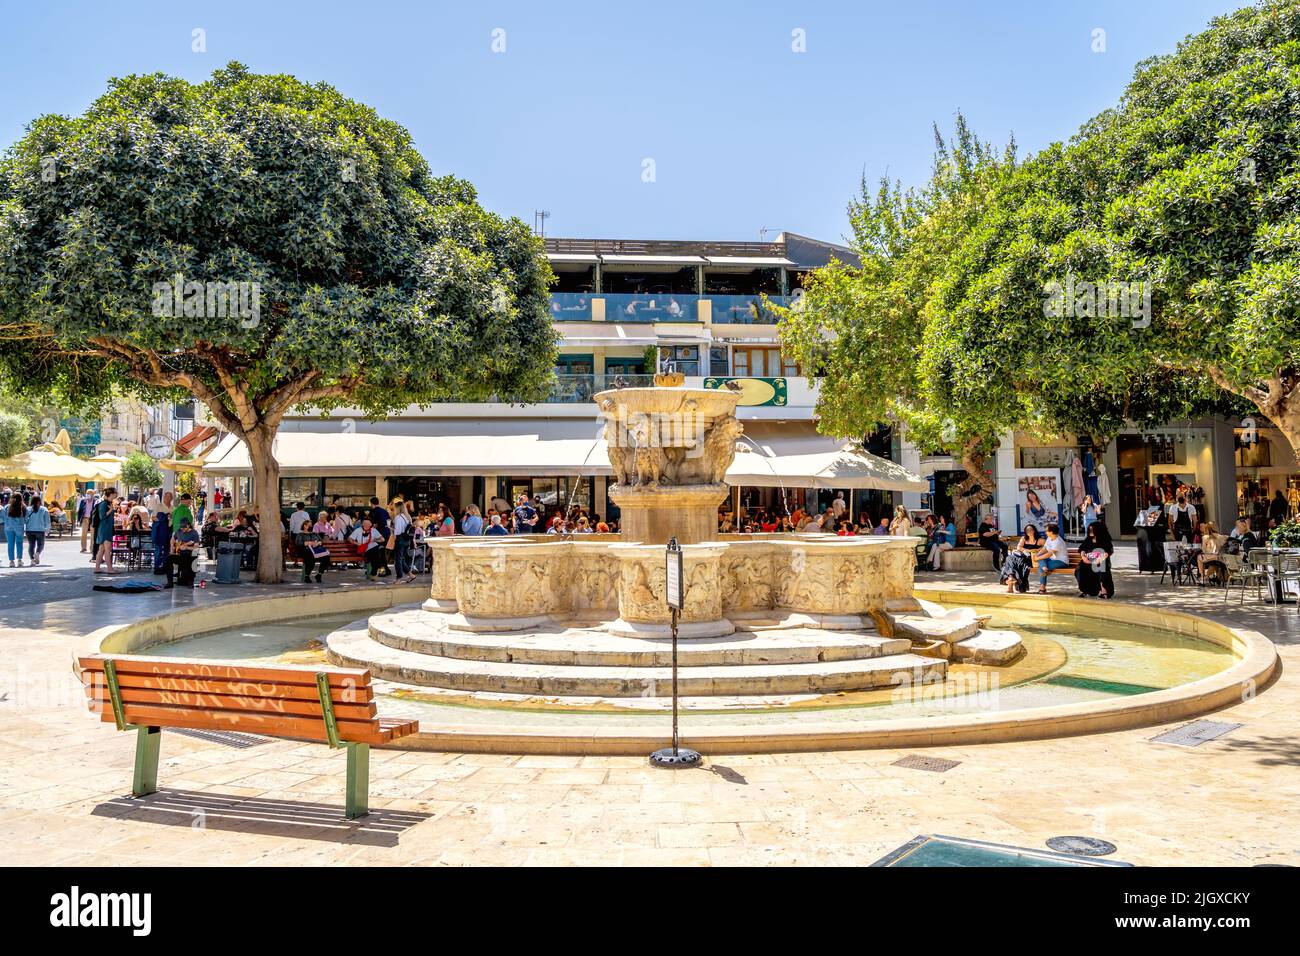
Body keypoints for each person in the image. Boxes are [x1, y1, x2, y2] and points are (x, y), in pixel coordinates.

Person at [1074, 521, 1115, 598]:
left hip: (1101, 561)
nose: (1090, 532)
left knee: (1101, 568)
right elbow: (1082, 548)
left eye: (1092, 530)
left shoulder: (1105, 540)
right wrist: (1083, 557)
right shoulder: (1088, 540)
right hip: (1088, 560)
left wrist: (1098, 560)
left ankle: (1104, 590)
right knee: (1080, 569)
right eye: (1089, 530)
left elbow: (1108, 552)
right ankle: (1085, 590)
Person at [1000, 524, 1042, 593]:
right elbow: (1018, 548)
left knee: (1009, 562)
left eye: (1030, 530)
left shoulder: (1039, 540)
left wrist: (1036, 550)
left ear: (1034, 531)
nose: (1028, 531)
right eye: (1027, 530)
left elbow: (1046, 547)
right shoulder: (1024, 538)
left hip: (1030, 560)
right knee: (1009, 558)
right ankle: (1011, 577)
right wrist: (1028, 550)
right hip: (1022, 557)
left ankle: (1010, 584)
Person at [165, 518, 201, 589]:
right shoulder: (179, 531)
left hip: (190, 555)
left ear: (188, 525)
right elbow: (172, 539)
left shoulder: (194, 533)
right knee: (169, 558)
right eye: (181, 527)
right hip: (180, 555)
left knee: (192, 558)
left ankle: (190, 581)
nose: (182, 529)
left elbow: (196, 547)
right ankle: (170, 582)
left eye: (184, 527)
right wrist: (172, 547)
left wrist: (187, 548)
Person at [1033, 523, 1070, 593]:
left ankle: (1042, 588)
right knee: (1041, 560)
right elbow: (1045, 548)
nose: (1045, 532)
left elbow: (1050, 553)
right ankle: (1045, 569)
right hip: (1052, 559)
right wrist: (1037, 555)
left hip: (1061, 561)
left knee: (1040, 567)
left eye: (1046, 531)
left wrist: (1037, 558)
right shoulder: (1049, 538)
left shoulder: (1058, 541)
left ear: (1051, 532)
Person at [93, 488, 119, 574]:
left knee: (102, 549)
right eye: (115, 493)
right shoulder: (104, 503)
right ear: (111, 494)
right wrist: (111, 510)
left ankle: (97, 568)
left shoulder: (108, 503)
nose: (116, 494)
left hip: (105, 529)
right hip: (104, 529)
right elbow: (102, 516)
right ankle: (110, 569)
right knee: (108, 549)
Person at [391, 500, 416, 582]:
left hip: (400, 539)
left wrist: (391, 528)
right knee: (401, 559)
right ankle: (410, 575)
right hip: (407, 540)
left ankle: (399, 578)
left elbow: (397, 532)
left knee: (397, 559)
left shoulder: (398, 517)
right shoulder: (408, 517)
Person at [4, 494, 28, 567]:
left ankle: (11, 561)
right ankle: (19, 560)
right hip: (19, 528)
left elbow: (4, 518)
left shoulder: (7, 507)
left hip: (8, 527)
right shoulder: (24, 507)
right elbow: (26, 519)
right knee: (19, 543)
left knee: (10, 544)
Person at [150, 508, 172, 575]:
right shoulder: (166, 520)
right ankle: (164, 567)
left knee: (158, 552)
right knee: (165, 553)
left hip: (158, 539)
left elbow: (154, 532)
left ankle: (157, 568)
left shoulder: (156, 521)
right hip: (166, 538)